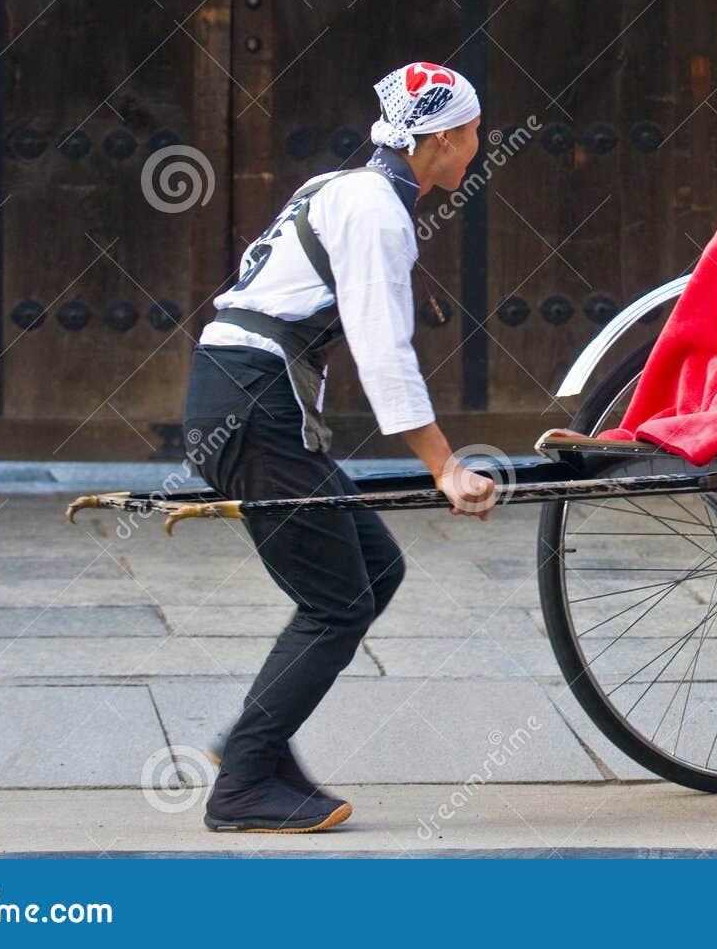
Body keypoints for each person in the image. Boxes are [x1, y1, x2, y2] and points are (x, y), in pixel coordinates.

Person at [182, 60, 496, 834]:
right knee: (335, 601)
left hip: (246, 397)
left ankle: (256, 745)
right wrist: (444, 466)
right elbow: (383, 351)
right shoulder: (376, 210)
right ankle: (244, 781)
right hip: (253, 405)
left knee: (374, 569)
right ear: (446, 136)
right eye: (476, 134)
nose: (478, 148)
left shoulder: (343, 187)